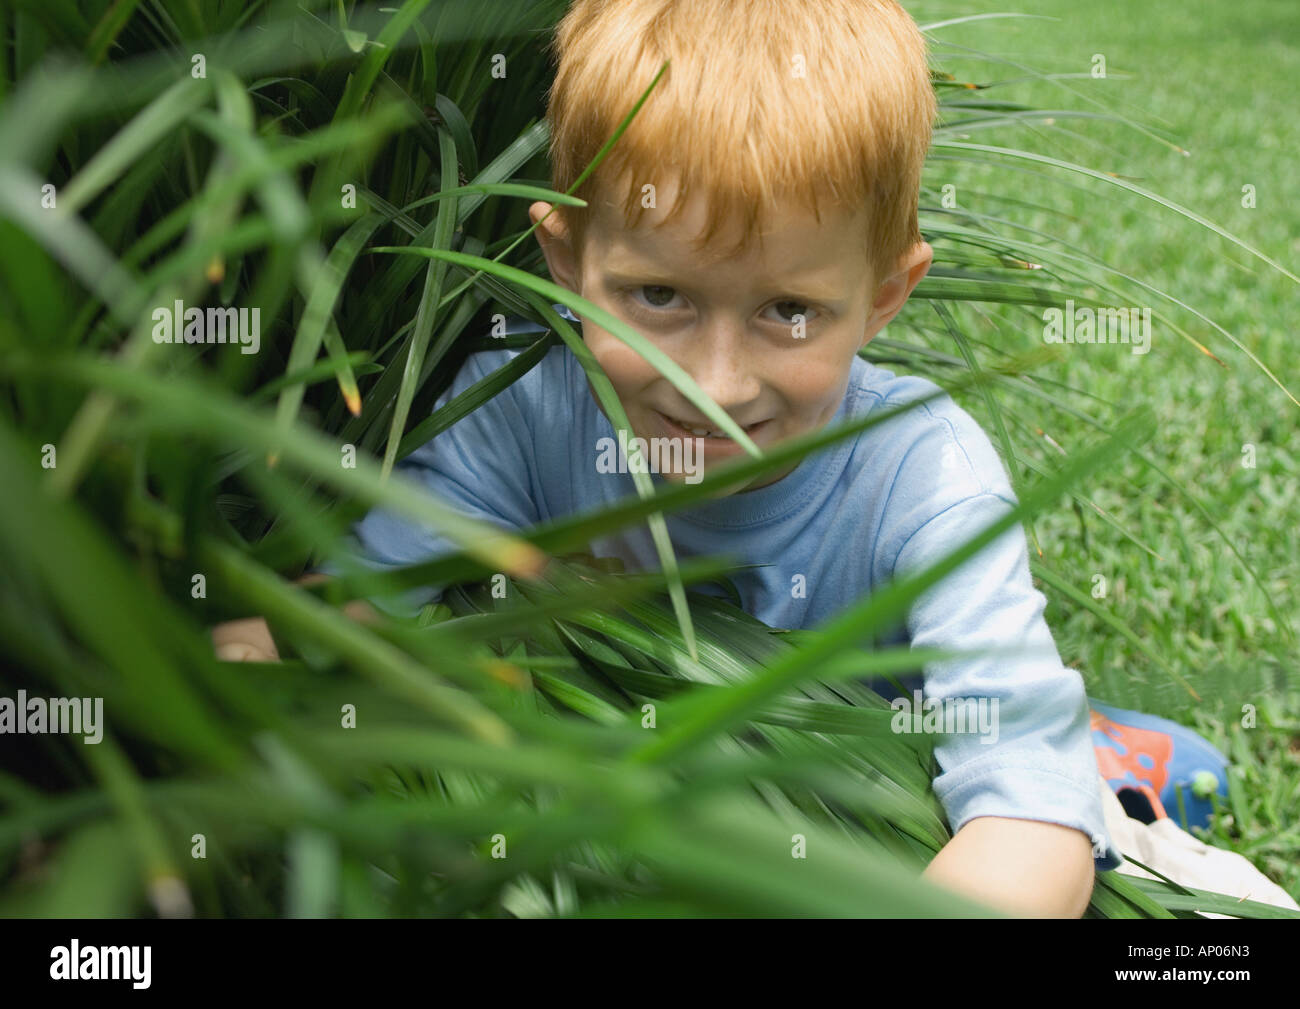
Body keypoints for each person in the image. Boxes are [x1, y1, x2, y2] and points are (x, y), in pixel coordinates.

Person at [213, 0, 1290, 915]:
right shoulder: (523, 408)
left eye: (787, 310)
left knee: (1083, 797)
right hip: (697, 798)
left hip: (905, 775)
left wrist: (1030, 806)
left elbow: (1027, 821)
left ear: (882, 298)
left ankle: (1119, 755)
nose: (713, 385)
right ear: (565, 258)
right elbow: (367, 595)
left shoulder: (923, 480)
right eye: (657, 297)